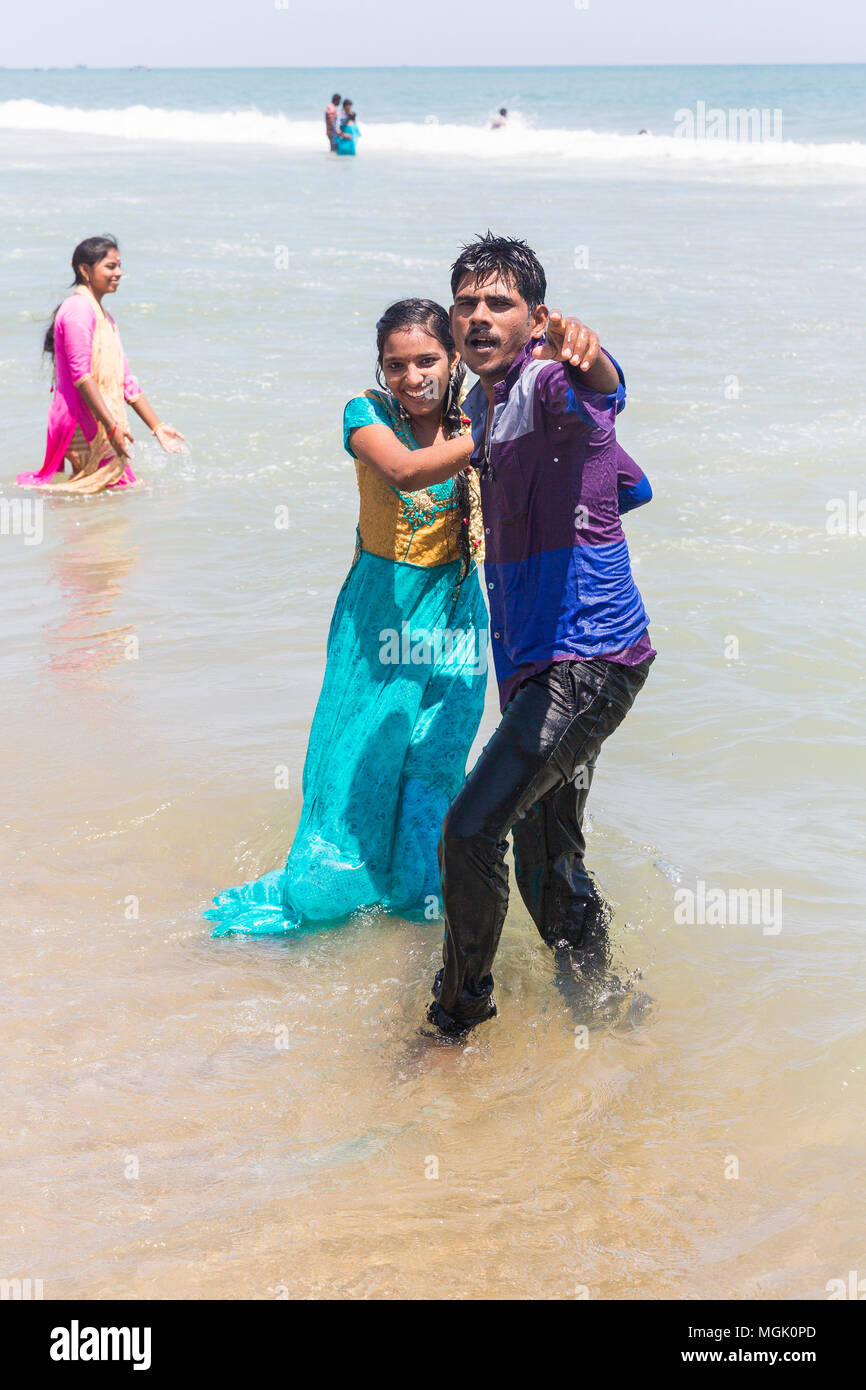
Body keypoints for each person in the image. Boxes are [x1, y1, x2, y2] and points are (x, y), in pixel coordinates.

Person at [424, 233, 656, 1035]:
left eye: (499, 303)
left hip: (585, 660)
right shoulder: (484, 406)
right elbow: (634, 482)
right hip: (540, 664)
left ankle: (456, 1020)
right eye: (466, 304)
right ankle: (605, 1005)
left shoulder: (550, 383)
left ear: (536, 319)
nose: (479, 317)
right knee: (545, 850)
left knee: (468, 831)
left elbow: (603, 389)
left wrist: (591, 358)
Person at [207, 300, 487, 936]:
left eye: (427, 360)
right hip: (383, 610)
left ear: (453, 360)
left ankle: (419, 889)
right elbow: (405, 473)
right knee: (364, 746)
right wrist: (494, 429)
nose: (411, 377)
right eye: (396, 364)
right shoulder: (366, 414)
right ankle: (337, 883)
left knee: (437, 748)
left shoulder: (475, 413)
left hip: (457, 603)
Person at [17, 236, 184, 495]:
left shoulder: (106, 317)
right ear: (85, 270)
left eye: (119, 266)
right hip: (82, 421)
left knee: (116, 494)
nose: (119, 273)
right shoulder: (78, 310)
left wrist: (157, 427)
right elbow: (81, 377)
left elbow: (126, 381)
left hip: (103, 420)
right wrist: (112, 426)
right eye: (110, 266)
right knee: (99, 496)